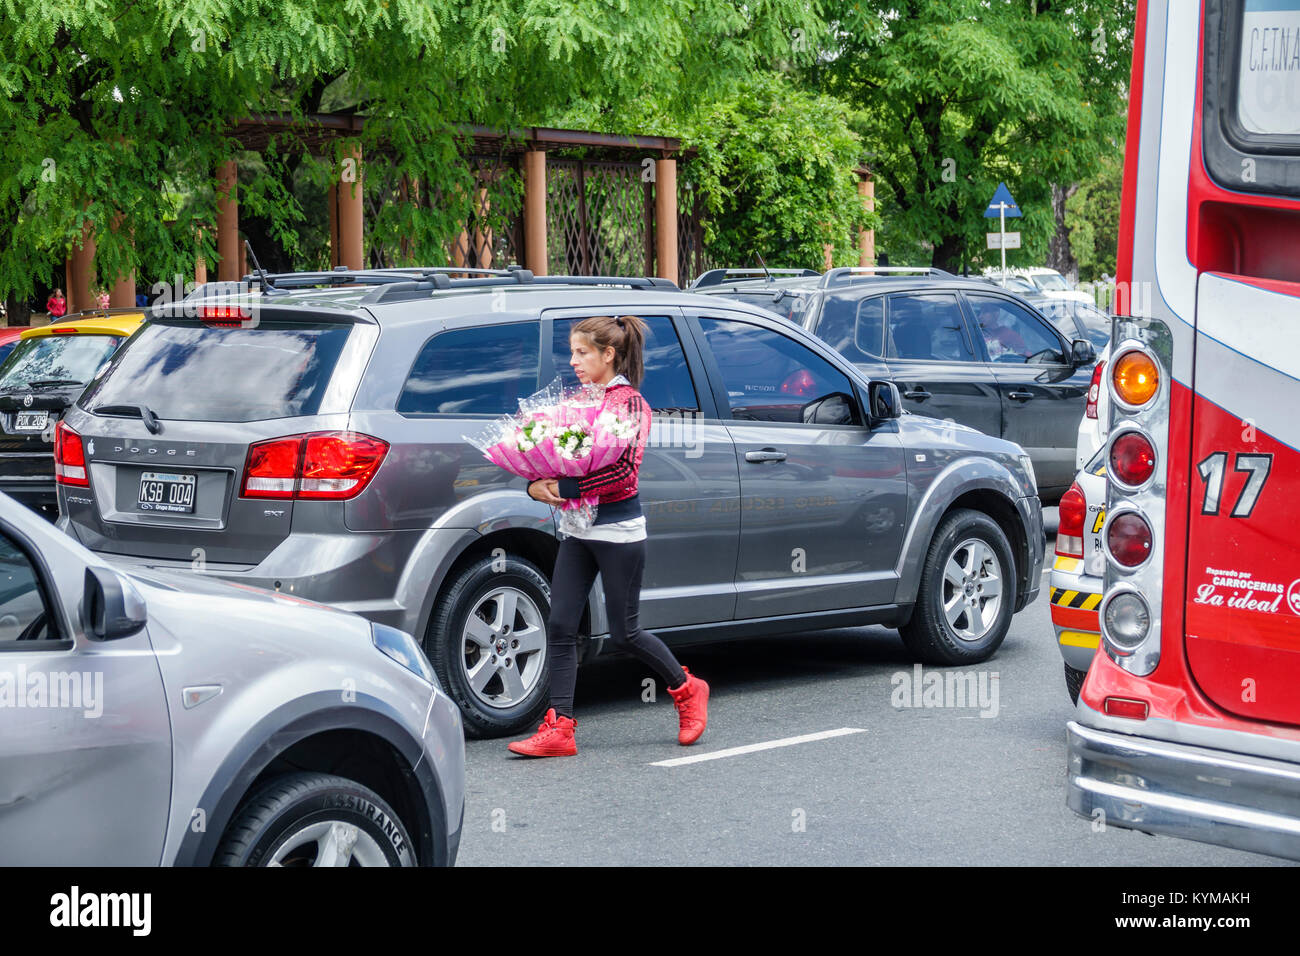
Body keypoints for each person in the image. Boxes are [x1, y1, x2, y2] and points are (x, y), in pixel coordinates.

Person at [509, 314, 709, 758]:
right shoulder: (578, 402)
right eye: (573, 352)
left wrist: (565, 488)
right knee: (560, 625)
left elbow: (622, 474)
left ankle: (688, 688)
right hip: (579, 530)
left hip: (618, 531)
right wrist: (534, 483)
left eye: (582, 353)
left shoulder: (631, 404)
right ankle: (560, 727)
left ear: (608, 355)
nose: (574, 361)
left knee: (624, 633)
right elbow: (555, 458)